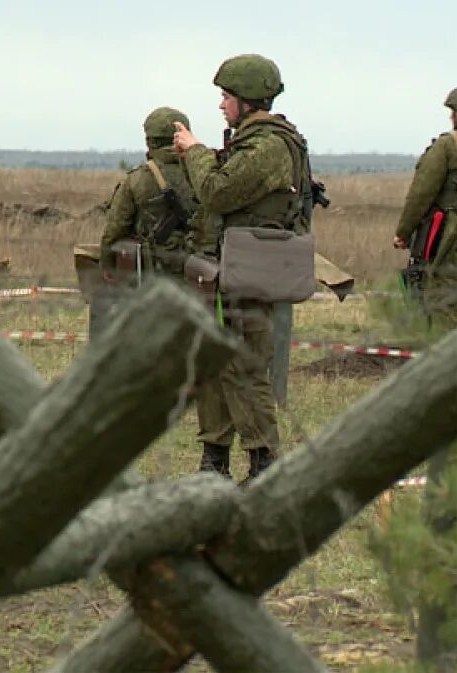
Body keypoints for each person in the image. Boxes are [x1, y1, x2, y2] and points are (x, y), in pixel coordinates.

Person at [173, 53, 310, 482]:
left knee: (244, 366)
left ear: (247, 100)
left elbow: (216, 192)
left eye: (226, 97)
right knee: (217, 363)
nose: (221, 105)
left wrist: (195, 153)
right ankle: (214, 460)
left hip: (249, 275)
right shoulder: (256, 142)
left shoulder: (267, 146)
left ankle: (264, 464)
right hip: (231, 272)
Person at [100, 106, 201, 283]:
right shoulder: (205, 172)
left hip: (150, 276)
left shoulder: (136, 179)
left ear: (150, 141)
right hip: (199, 274)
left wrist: (107, 266)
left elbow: (114, 230)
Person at [394, 86, 457, 330]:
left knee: (445, 298)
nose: (452, 117)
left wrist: (403, 232)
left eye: (455, 111)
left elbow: (421, 194)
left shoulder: (447, 147)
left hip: (451, 237)